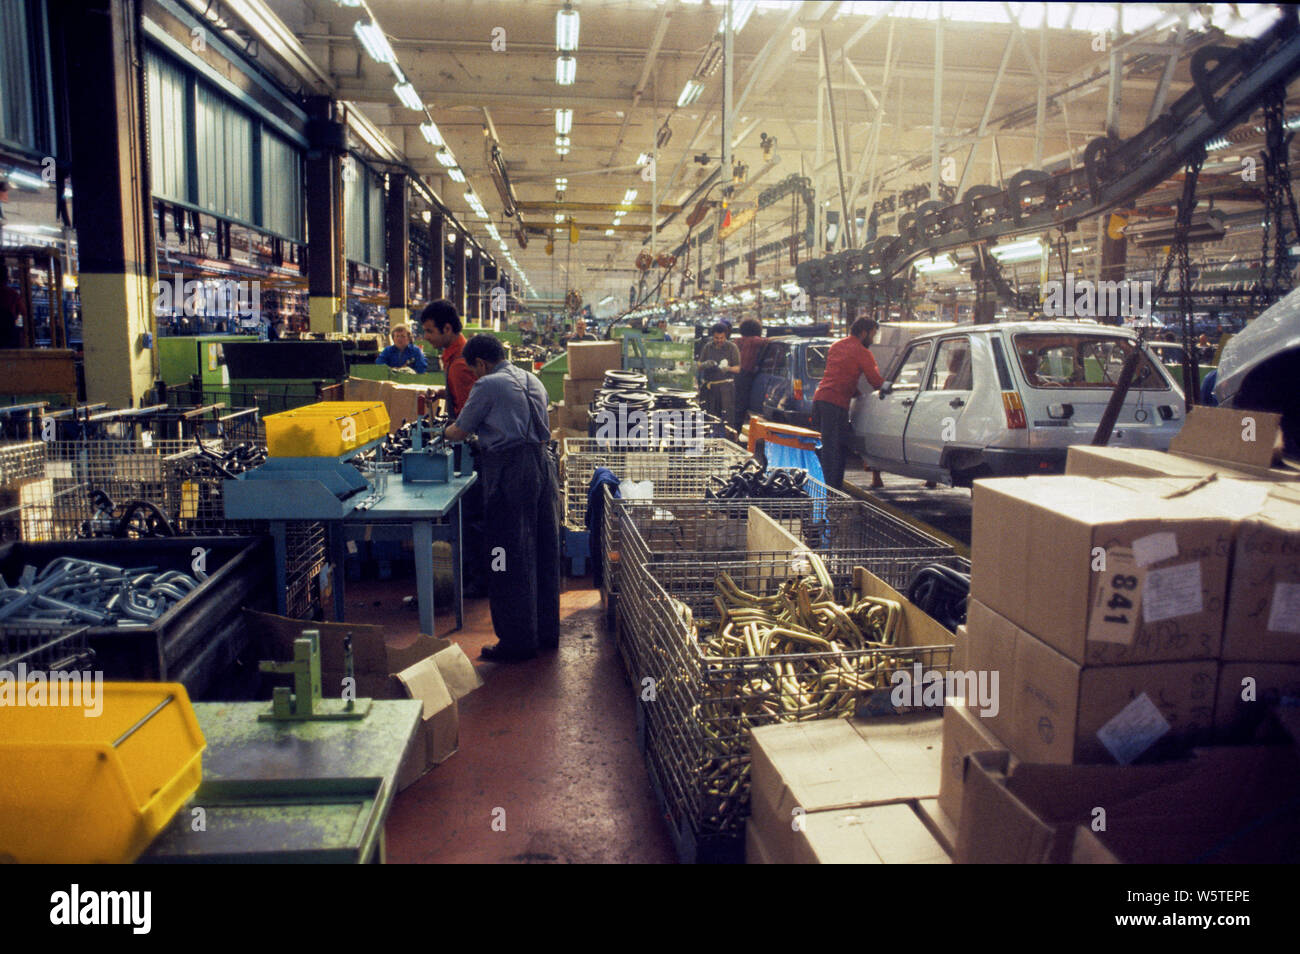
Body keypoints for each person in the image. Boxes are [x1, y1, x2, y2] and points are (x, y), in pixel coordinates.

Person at [444, 334, 561, 662]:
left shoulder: (488, 385)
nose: (475, 376)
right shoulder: (533, 379)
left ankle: (516, 641)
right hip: (544, 465)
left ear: (482, 363)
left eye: (475, 370)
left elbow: (461, 430)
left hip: (511, 471)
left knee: (505, 553)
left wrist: (442, 431)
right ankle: (546, 632)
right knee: (543, 549)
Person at [811, 317, 885, 491]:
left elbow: (840, 375)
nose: (873, 340)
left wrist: (858, 395)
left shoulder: (836, 346)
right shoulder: (862, 352)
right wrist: (889, 387)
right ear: (864, 332)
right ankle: (830, 494)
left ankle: (823, 489)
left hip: (820, 401)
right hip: (835, 405)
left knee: (825, 449)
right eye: (873, 334)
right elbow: (875, 381)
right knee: (835, 451)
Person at [419, 300, 474, 416]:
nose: (426, 337)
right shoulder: (455, 354)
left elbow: (469, 415)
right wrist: (440, 394)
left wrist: (450, 433)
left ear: (447, 329)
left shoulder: (459, 364)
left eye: (429, 331)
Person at [697, 322, 742, 425]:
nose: (719, 340)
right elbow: (699, 365)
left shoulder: (732, 347)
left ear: (725, 336)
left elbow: (738, 368)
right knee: (708, 416)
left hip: (725, 389)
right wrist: (705, 364)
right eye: (716, 338)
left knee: (726, 417)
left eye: (722, 338)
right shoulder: (708, 347)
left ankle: (726, 438)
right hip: (709, 388)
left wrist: (728, 368)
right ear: (713, 336)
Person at [733, 318, 765, 429]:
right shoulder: (754, 340)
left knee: (736, 407)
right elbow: (766, 341)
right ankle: (735, 433)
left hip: (734, 374)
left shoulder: (737, 341)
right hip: (745, 376)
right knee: (741, 407)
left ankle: (732, 432)